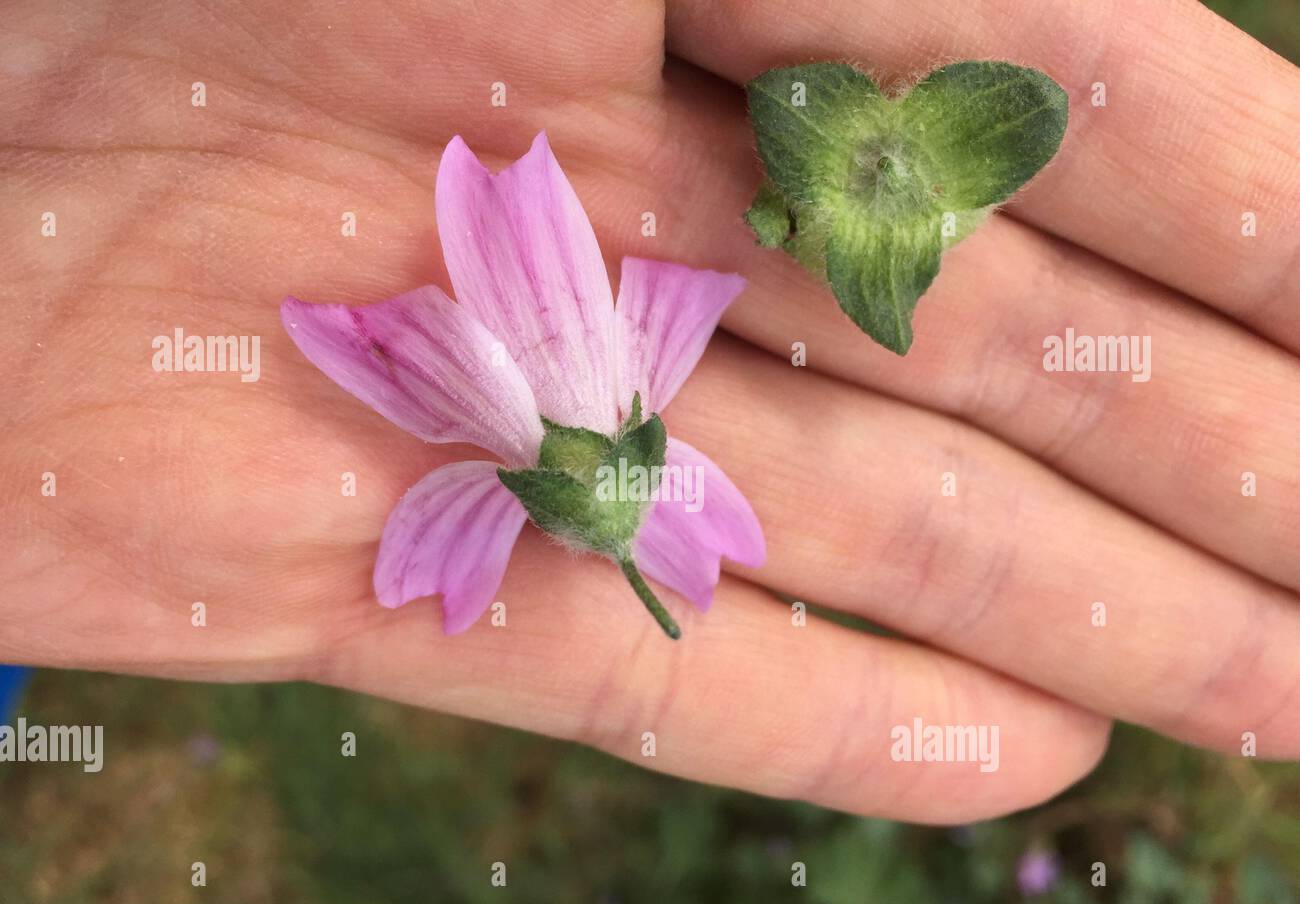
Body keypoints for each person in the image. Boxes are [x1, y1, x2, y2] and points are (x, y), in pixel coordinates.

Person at [2, 0, 1297, 823]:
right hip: (592, 423)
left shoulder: (610, 418)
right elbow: (454, 340)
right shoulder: (606, 402)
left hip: (593, 423)